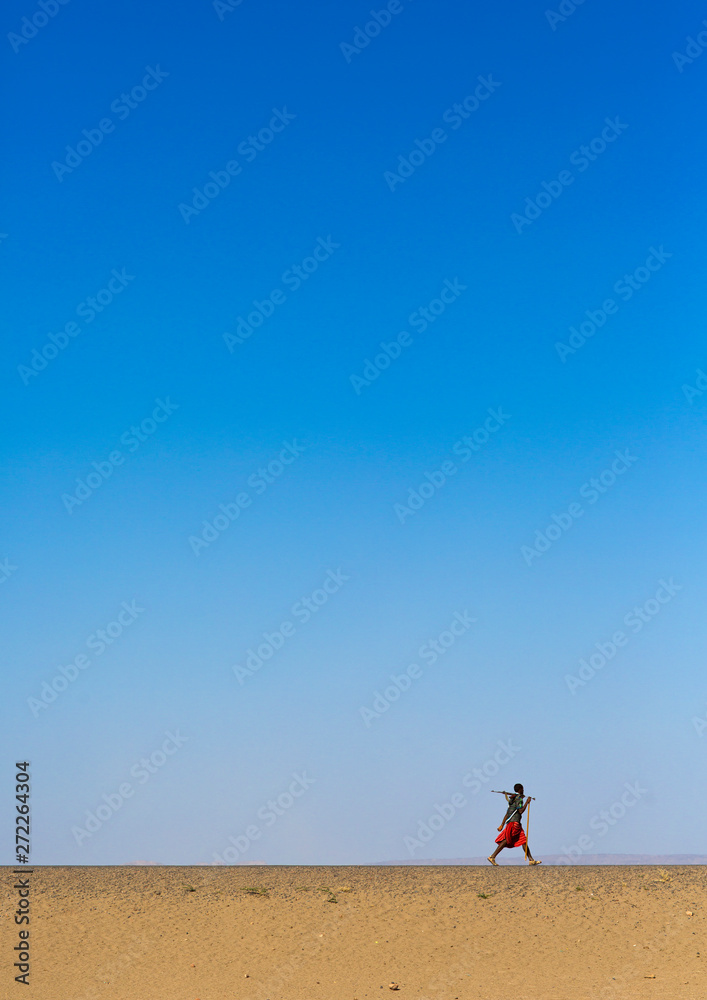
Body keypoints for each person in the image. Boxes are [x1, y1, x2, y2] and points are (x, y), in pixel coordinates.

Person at [487, 783, 541, 866]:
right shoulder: (518, 799)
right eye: (522, 789)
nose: (523, 790)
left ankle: (531, 859)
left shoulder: (512, 799)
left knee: (523, 841)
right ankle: (492, 856)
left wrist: (502, 824)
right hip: (514, 824)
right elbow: (520, 811)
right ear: (520, 789)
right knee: (506, 840)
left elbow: (508, 813)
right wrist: (527, 802)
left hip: (515, 824)